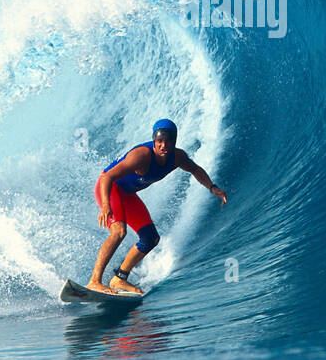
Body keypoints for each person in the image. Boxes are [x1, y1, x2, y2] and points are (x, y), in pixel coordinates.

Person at [88, 118, 227, 294]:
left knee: (150, 238)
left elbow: (196, 169)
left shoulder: (177, 157)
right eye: (159, 141)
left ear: (174, 141)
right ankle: (94, 281)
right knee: (119, 232)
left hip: (127, 194)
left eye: (167, 141)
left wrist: (212, 188)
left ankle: (119, 279)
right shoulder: (141, 156)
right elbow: (107, 177)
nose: (163, 145)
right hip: (109, 187)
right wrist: (106, 205)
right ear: (154, 140)